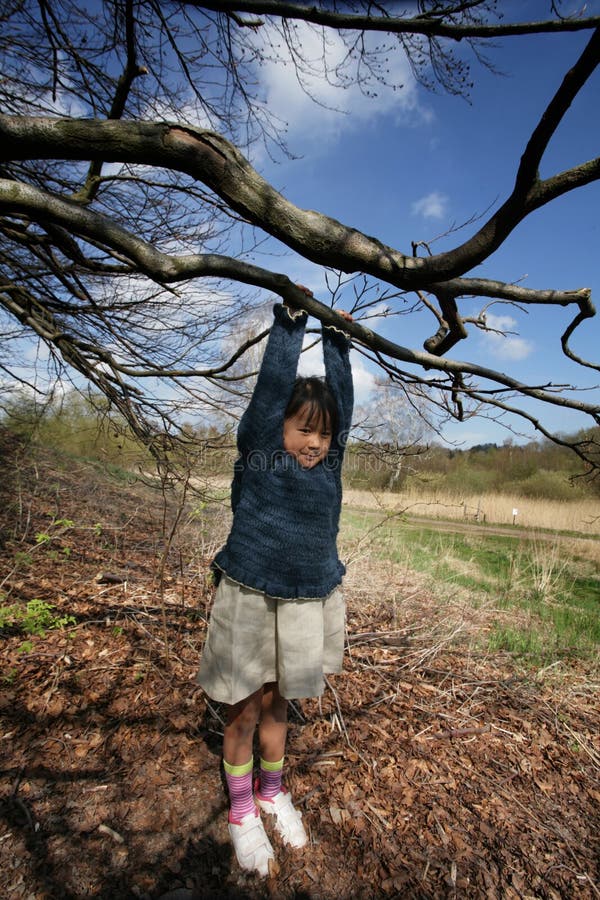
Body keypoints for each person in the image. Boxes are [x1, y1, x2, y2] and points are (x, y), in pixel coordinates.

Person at [197, 294, 354, 877]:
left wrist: (338, 340)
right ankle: (241, 811)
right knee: (241, 711)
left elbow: (344, 405)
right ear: (280, 426)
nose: (313, 442)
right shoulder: (263, 452)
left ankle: (271, 790)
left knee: (278, 708)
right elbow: (268, 395)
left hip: (304, 603)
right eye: (302, 429)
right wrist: (291, 328)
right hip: (250, 598)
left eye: (323, 433)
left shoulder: (331, 466)